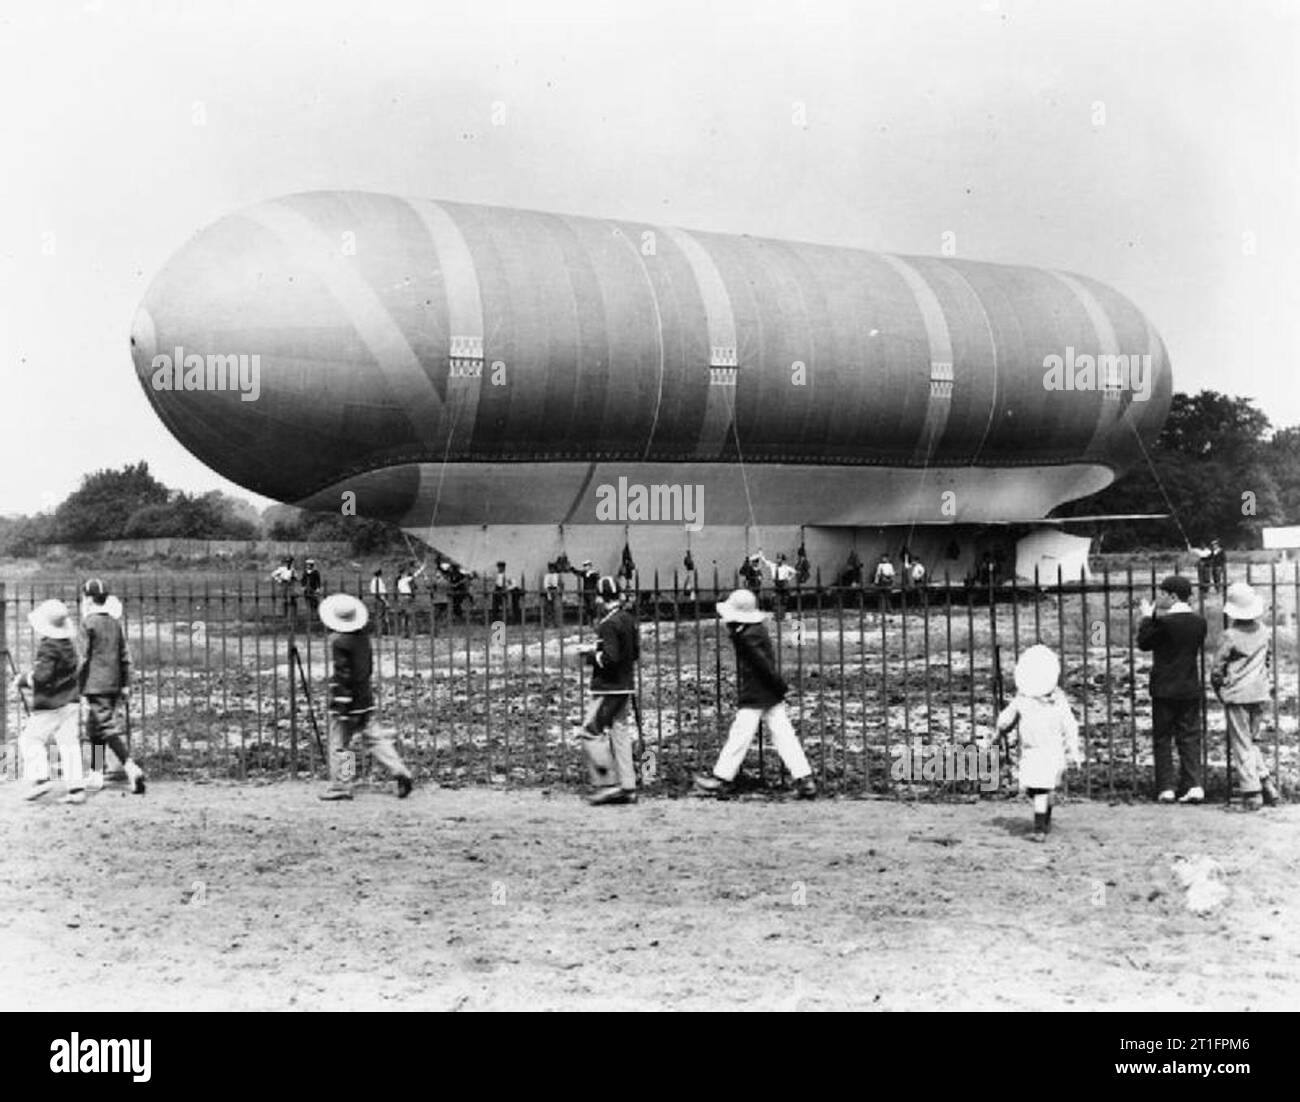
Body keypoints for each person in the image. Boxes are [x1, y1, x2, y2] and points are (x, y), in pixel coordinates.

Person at [694, 588, 817, 799]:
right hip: (767, 692)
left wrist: (779, 686)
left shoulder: (746, 635)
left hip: (757, 692)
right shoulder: (753, 631)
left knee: (740, 735)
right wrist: (778, 688)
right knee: (783, 735)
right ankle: (804, 779)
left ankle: (721, 778)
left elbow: (762, 666)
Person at [317, 593, 413, 801]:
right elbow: (364, 670)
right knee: (375, 739)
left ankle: (342, 785)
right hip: (364, 698)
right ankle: (400, 770)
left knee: (340, 745)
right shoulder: (363, 639)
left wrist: (342, 705)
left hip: (347, 701)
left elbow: (343, 675)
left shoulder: (340, 643)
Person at [994, 644, 1082, 842]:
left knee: (1039, 790)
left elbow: (1006, 718)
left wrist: (999, 731)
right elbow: (1070, 726)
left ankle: (1040, 829)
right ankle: (1045, 813)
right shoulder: (1055, 700)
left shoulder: (1027, 699)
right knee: (1038, 789)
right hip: (1047, 752)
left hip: (1038, 752)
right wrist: (1073, 749)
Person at [1137, 574, 1208, 804]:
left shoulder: (1164, 623)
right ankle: (1194, 784)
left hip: (1164, 688)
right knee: (1189, 737)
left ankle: (1166, 787)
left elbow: (1144, 643)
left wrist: (1148, 617)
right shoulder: (1200, 622)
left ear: (1172, 596)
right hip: (1189, 686)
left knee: (1163, 738)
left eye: (1161, 594)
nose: (1158, 598)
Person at [1210, 582, 1281, 810]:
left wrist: (1220, 689)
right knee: (1252, 742)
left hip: (1237, 694)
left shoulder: (1229, 635)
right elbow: (1268, 660)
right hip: (1259, 692)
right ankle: (1267, 782)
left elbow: (1217, 669)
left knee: (1241, 744)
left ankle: (1252, 793)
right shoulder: (1263, 632)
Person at [576, 576, 641, 806]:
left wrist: (590, 655)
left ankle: (607, 784)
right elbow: (632, 654)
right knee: (620, 733)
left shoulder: (607, 624)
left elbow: (611, 659)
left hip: (608, 689)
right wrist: (599, 648)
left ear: (601, 598)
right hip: (625, 685)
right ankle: (627, 785)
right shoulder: (628, 619)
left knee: (590, 731)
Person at [12, 599, 85, 804]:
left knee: (30, 739)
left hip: (51, 705)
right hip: (71, 701)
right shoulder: (68, 645)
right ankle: (76, 789)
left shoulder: (48, 647)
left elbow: (43, 677)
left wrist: (23, 679)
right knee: (69, 744)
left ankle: (40, 777)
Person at [78, 580, 146, 795]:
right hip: (113, 684)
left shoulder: (87, 623)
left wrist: (74, 684)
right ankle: (97, 774)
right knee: (95, 727)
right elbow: (126, 657)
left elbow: (81, 658)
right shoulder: (115, 623)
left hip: (94, 685)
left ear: (88, 598)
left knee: (105, 726)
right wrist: (126, 684)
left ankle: (130, 767)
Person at [759, 551, 797, 620]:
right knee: (775, 600)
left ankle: (782, 616)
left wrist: (789, 578)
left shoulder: (786, 567)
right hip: (776, 583)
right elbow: (765, 561)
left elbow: (794, 572)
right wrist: (761, 555)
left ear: (782, 560)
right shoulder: (773, 565)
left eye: (780, 558)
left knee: (783, 600)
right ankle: (776, 615)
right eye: (777, 558)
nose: (778, 560)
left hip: (783, 584)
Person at [368, 567, 389, 635]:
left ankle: (377, 631)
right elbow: (380, 592)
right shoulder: (378, 581)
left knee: (378, 615)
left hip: (376, 598)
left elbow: (372, 590)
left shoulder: (373, 581)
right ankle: (379, 632)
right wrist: (385, 601)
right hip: (380, 599)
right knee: (380, 616)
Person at [543, 560, 563, 627]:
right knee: (549, 608)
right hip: (549, 591)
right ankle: (549, 623)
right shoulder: (547, 576)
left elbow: (560, 584)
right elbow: (545, 585)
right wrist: (547, 592)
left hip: (556, 591)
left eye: (553, 568)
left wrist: (559, 590)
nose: (551, 570)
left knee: (557, 607)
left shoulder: (557, 576)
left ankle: (557, 623)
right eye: (550, 568)